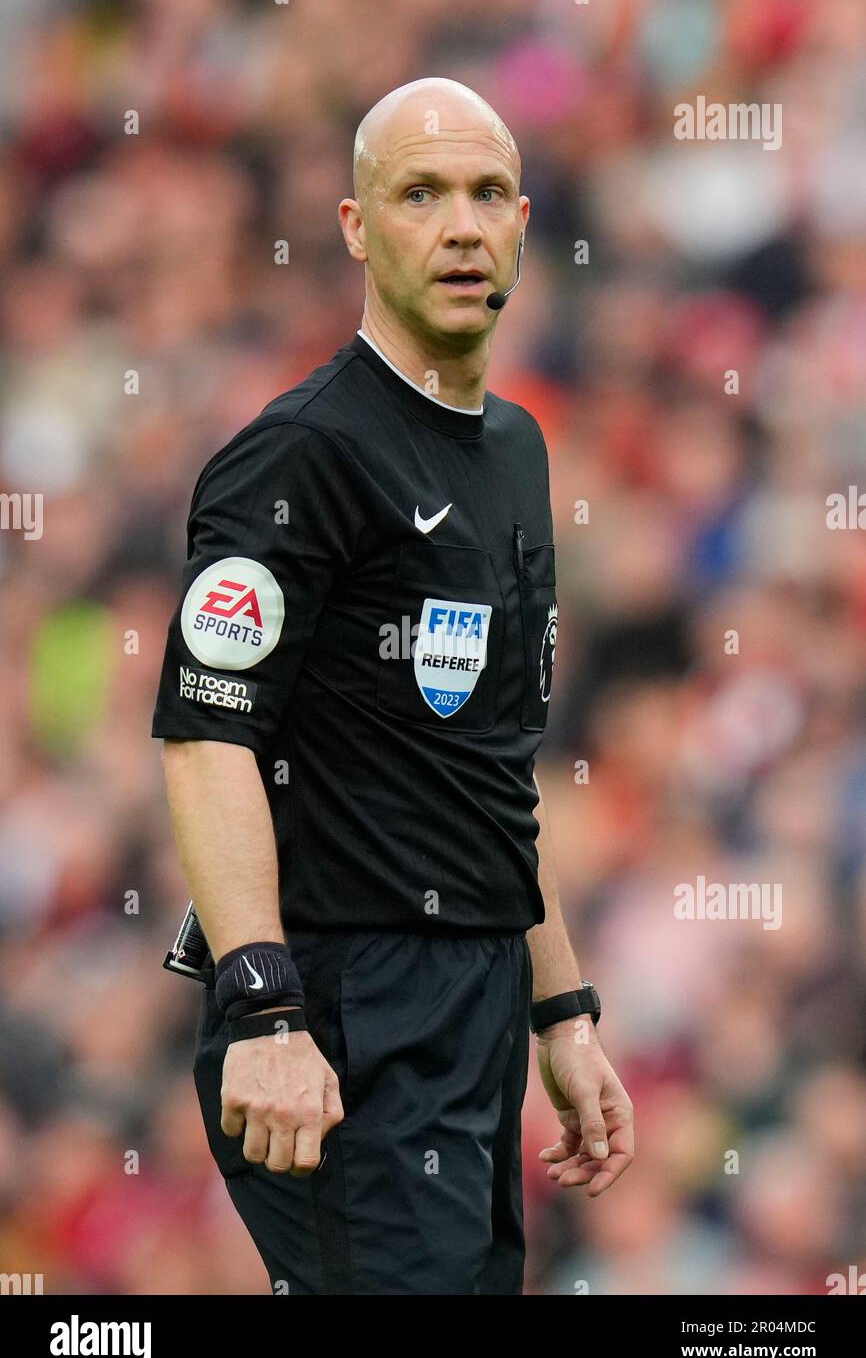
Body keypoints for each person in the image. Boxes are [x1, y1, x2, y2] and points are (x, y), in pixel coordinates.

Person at [151, 77, 634, 1296]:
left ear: (524, 221)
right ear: (360, 228)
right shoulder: (299, 454)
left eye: (484, 195)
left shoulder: (517, 450)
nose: (460, 226)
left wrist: (560, 1010)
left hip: (472, 1001)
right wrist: (262, 1006)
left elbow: (490, 768)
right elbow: (203, 737)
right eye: (420, 194)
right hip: (339, 1000)